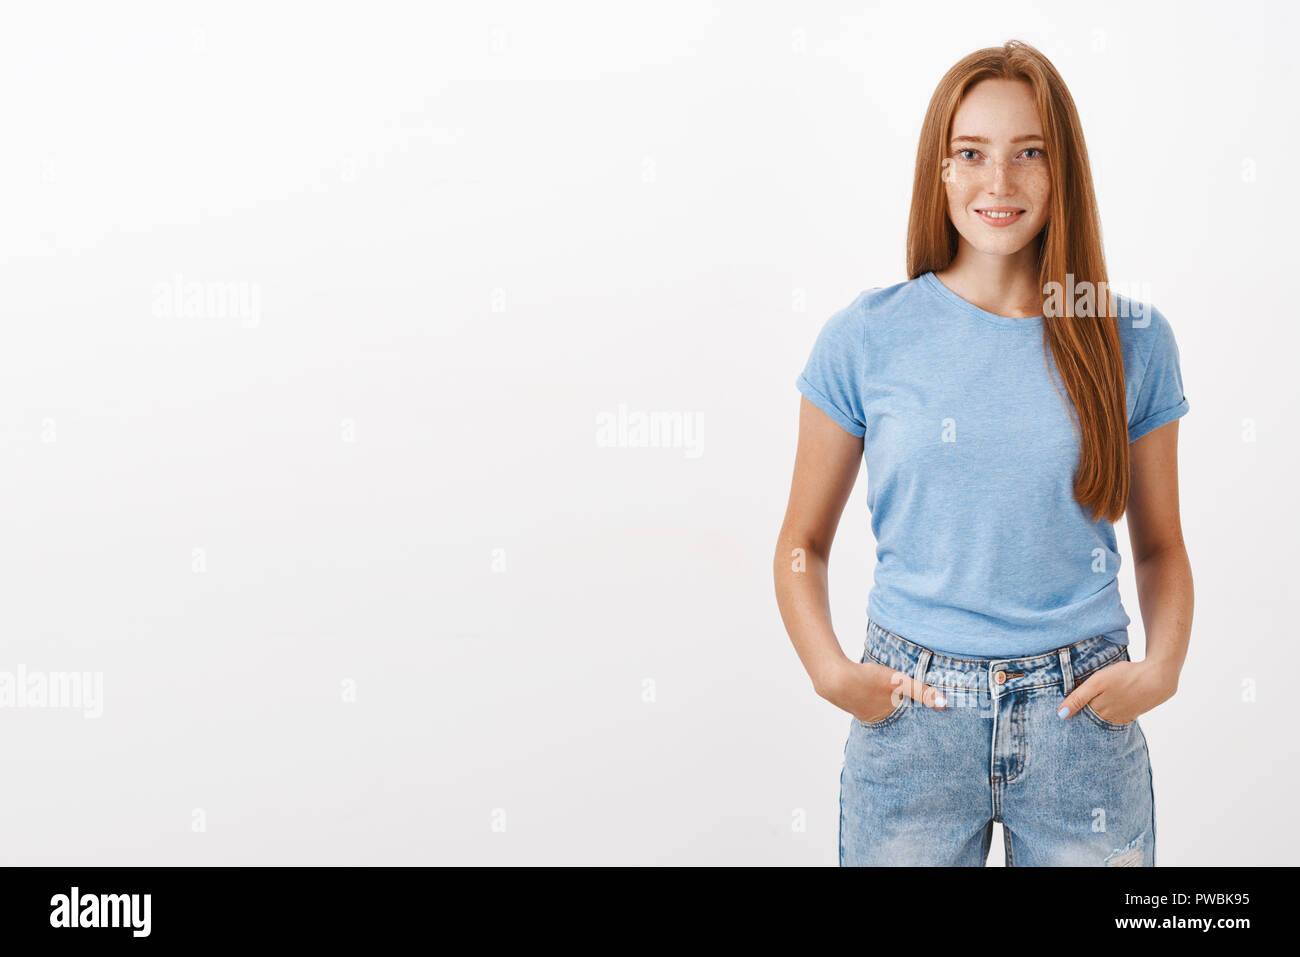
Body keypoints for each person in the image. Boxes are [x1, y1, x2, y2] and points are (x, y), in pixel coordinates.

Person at [773, 40, 1192, 867]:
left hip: (1082, 721)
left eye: (1028, 153)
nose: (998, 183)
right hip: (912, 718)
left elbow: (1161, 546)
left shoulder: (1131, 341)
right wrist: (829, 669)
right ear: (941, 171)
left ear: (1061, 169)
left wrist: (1163, 668)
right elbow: (801, 545)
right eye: (971, 154)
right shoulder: (867, 337)